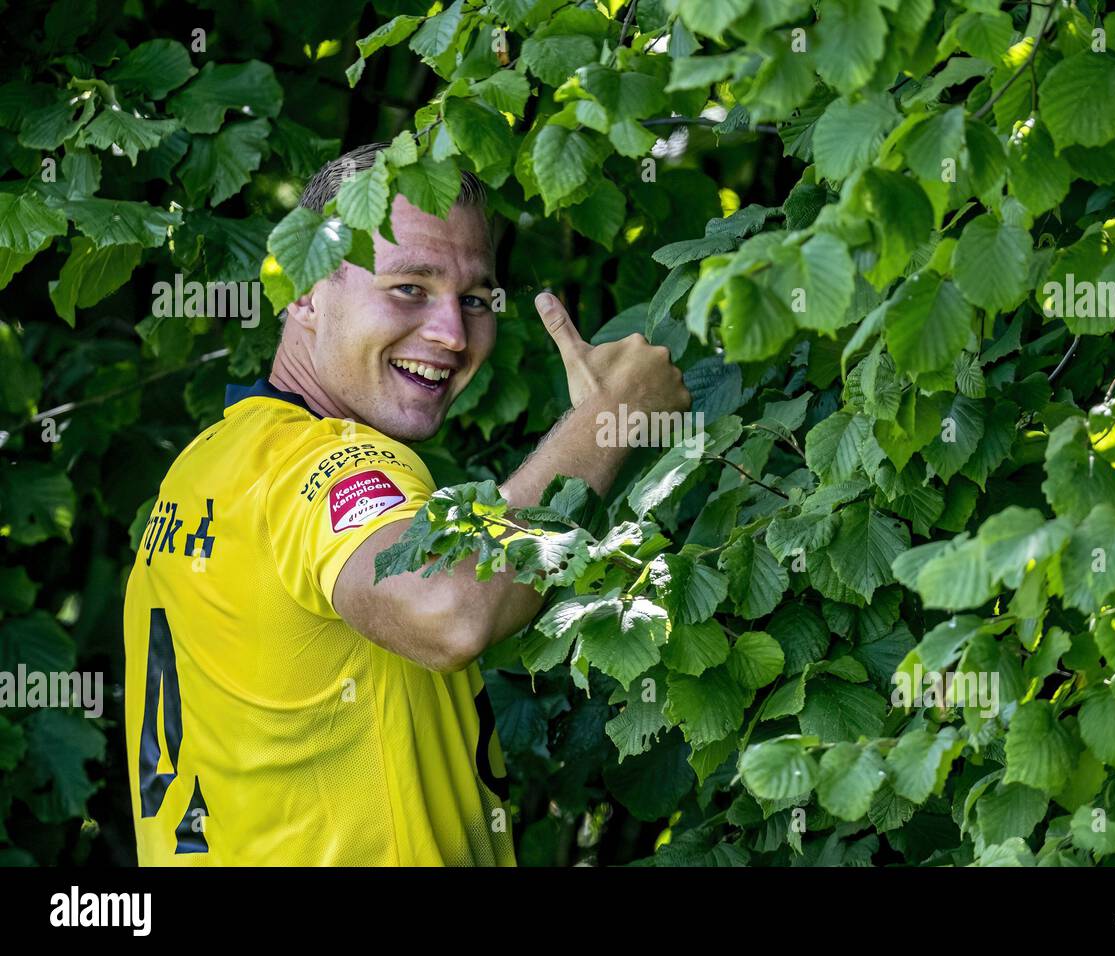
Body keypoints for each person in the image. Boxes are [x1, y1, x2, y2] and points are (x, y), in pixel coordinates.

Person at [122, 142, 692, 865]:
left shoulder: (203, 469)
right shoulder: (332, 462)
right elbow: (451, 609)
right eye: (409, 288)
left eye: (476, 299)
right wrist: (608, 423)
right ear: (302, 287)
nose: (453, 335)